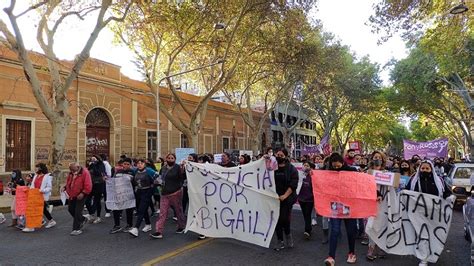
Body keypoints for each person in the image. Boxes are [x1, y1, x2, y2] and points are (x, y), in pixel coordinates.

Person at [407, 160, 453, 266]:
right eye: (422, 168)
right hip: (418, 213)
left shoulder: (439, 180)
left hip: (434, 214)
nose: (425, 170)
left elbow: (446, 192)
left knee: (432, 235)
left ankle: (431, 252)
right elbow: (407, 191)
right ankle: (424, 258)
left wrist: (450, 197)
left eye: (427, 168)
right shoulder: (414, 179)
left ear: (431, 169)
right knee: (422, 234)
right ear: (419, 169)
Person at [324, 153, 358, 265]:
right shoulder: (328, 173)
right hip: (336, 204)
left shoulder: (352, 171)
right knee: (334, 230)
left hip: (350, 205)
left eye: (338, 166)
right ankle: (331, 257)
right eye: (334, 166)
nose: (336, 168)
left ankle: (351, 253)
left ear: (343, 163)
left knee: (351, 231)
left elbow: (361, 184)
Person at [151, 153, 186, 239]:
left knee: (178, 211)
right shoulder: (163, 168)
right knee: (163, 213)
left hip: (175, 193)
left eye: (172, 158)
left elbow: (182, 178)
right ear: (166, 159)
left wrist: (179, 188)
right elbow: (160, 178)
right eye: (169, 158)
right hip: (164, 193)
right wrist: (157, 182)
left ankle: (181, 226)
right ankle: (158, 231)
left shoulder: (178, 168)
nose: (170, 159)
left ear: (175, 159)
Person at [270, 148, 298, 251]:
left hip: (287, 198)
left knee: (284, 219)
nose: (279, 157)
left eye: (281, 155)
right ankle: (280, 241)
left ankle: (288, 234)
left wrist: (285, 196)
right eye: (277, 154)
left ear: (285, 157)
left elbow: (293, 184)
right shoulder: (272, 167)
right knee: (276, 219)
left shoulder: (291, 169)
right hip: (274, 198)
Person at [23, 163, 56, 232]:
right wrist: (30, 191)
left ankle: (32, 226)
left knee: (37, 210)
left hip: (41, 195)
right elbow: (32, 185)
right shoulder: (35, 176)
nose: (35, 169)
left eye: (37, 168)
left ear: (41, 169)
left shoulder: (47, 177)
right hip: (35, 196)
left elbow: (49, 188)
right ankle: (48, 220)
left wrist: (42, 191)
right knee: (41, 209)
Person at [129, 158, 158, 237]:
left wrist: (153, 188)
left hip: (147, 191)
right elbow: (133, 180)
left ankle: (136, 228)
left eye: (141, 163)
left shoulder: (149, 171)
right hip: (139, 192)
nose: (140, 165)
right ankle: (148, 224)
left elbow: (158, 178)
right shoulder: (135, 171)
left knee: (141, 210)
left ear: (144, 164)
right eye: (138, 163)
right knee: (142, 208)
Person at [63, 162, 92, 236]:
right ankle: (82, 219)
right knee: (70, 209)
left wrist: (83, 193)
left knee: (77, 212)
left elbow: (88, 185)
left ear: (77, 167)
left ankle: (76, 229)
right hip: (72, 195)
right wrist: (65, 187)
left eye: (73, 169)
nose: (72, 171)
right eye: (70, 170)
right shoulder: (71, 173)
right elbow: (69, 182)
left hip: (81, 194)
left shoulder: (85, 172)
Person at [110, 158, 136, 234]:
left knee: (129, 210)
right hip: (119, 194)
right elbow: (113, 181)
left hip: (128, 194)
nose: (126, 165)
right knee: (116, 209)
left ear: (130, 165)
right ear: (122, 164)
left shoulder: (132, 172)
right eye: (125, 164)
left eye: (128, 164)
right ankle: (117, 225)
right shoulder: (118, 171)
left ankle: (129, 225)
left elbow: (135, 183)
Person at [85, 155, 106, 224]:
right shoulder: (91, 165)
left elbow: (98, 173)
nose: (92, 160)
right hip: (91, 185)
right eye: (92, 159)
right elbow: (87, 172)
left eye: (94, 159)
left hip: (99, 185)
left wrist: (93, 164)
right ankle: (91, 214)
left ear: (98, 159)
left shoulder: (101, 165)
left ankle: (98, 217)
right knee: (87, 200)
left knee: (97, 201)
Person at [298, 161, 315, 239]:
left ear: (310, 167)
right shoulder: (299, 175)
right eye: (304, 165)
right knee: (305, 214)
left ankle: (307, 231)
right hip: (301, 199)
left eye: (307, 165)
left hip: (310, 199)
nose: (305, 167)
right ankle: (309, 227)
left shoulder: (313, 176)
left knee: (307, 214)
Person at [100, 154, 112, 218]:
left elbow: (109, 174)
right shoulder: (102, 164)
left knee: (106, 197)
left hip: (105, 183)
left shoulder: (105, 164)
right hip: (101, 183)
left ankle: (108, 210)